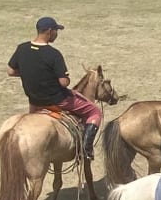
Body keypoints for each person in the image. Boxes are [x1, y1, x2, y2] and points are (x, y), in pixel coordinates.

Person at [7, 16, 102, 160]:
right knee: (95, 112)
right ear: (49, 31)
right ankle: (85, 149)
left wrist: (31, 73)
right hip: (58, 100)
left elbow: (11, 71)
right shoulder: (53, 54)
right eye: (56, 31)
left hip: (34, 102)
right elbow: (64, 83)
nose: (57, 34)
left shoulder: (22, 48)